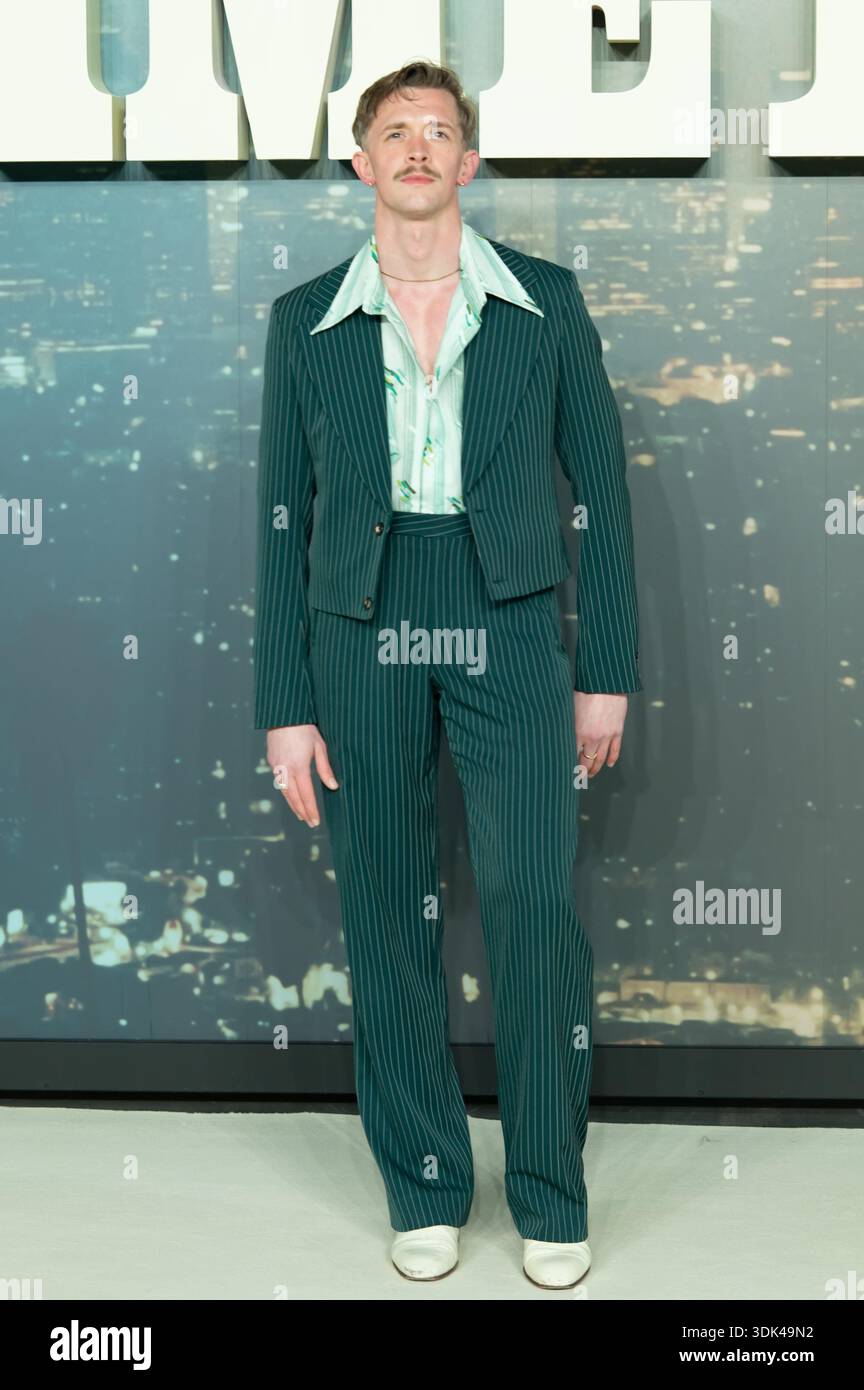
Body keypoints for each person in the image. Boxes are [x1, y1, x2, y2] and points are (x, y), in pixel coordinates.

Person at [253, 59, 641, 1290]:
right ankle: (423, 1181)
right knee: (385, 905)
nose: (417, 147)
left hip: (513, 616)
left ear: (469, 163)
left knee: (532, 904)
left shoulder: (548, 303)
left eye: (440, 131)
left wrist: (608, 672)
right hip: (356, 623)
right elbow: (280, 517)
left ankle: (548, 1191)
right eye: (393, 131)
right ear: (360, 162)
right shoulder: (302, 321)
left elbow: (609, 504)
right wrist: (285, 704)